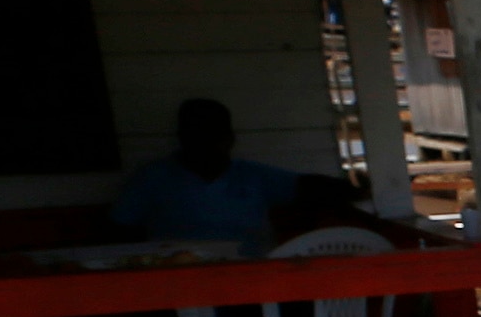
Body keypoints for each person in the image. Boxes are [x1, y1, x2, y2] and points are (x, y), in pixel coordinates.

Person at [109, 99, 392, 257]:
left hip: (254, 274)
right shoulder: (153, 177)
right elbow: (120, 230)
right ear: (182, 138)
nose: (207, 144)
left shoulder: (251, 175)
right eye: (198, 135)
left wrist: (355, 188)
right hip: (183, 280)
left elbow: (305, 186)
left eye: (215, 136)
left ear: (229, 139)